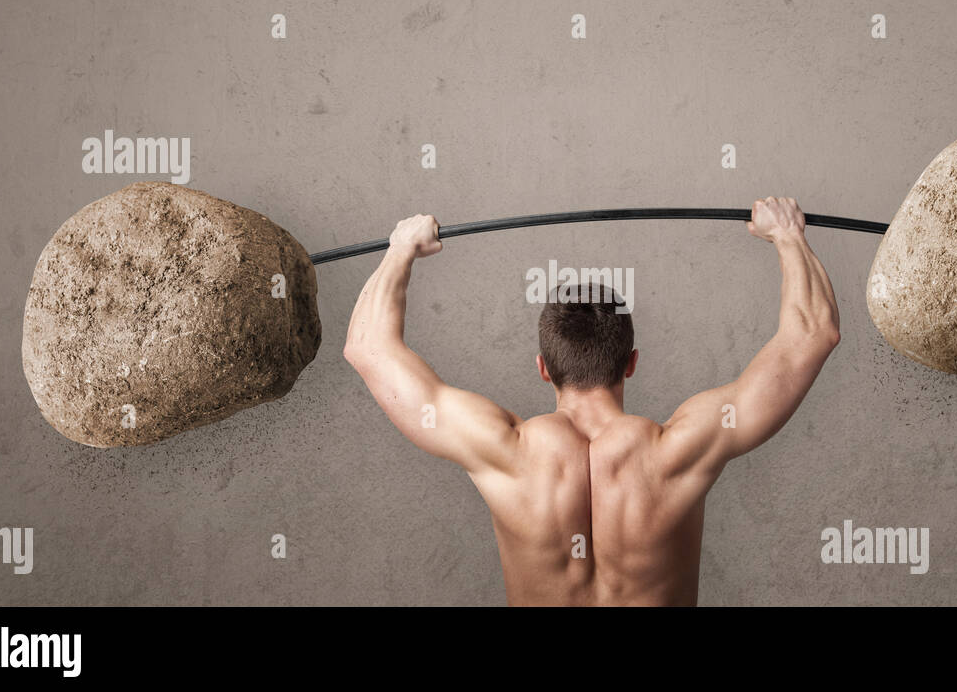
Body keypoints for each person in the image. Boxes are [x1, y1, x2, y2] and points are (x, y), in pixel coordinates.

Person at [344, 196, 840, 605]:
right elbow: (812, 335)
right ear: (631, 362)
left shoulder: (503, 451)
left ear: (543, 367)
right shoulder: (676, 452)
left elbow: (368, 348)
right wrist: (788, 236)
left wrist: (401, 248)